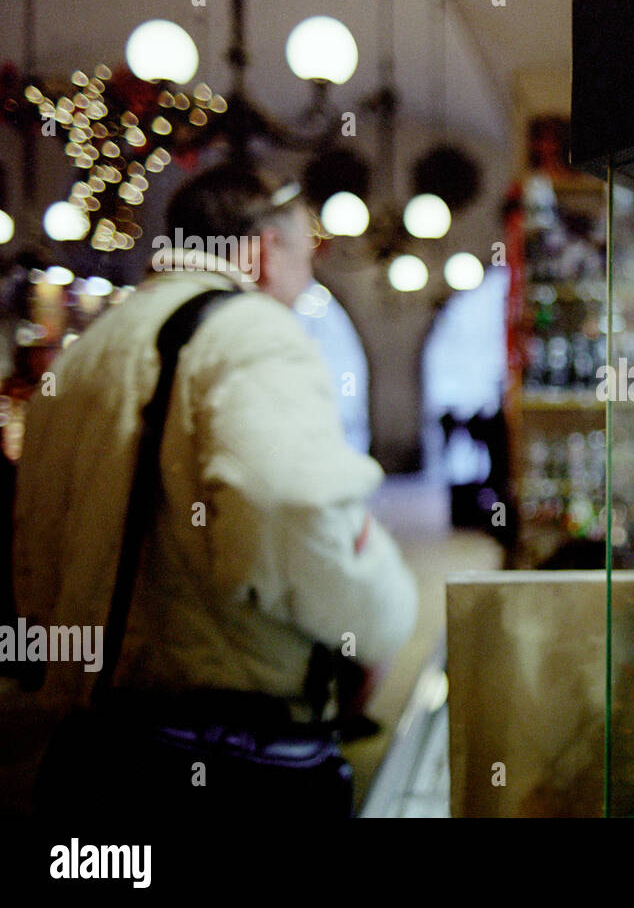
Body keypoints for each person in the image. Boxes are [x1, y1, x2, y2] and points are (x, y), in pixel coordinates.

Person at [10, 164, 417, 738]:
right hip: (228, 725)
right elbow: (286, 505)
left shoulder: (84, 354)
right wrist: (374, 628)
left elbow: (33, 541)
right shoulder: (252, 332)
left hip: (93, 726)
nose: (308, 280)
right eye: (308, 255)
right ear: (266, 250)